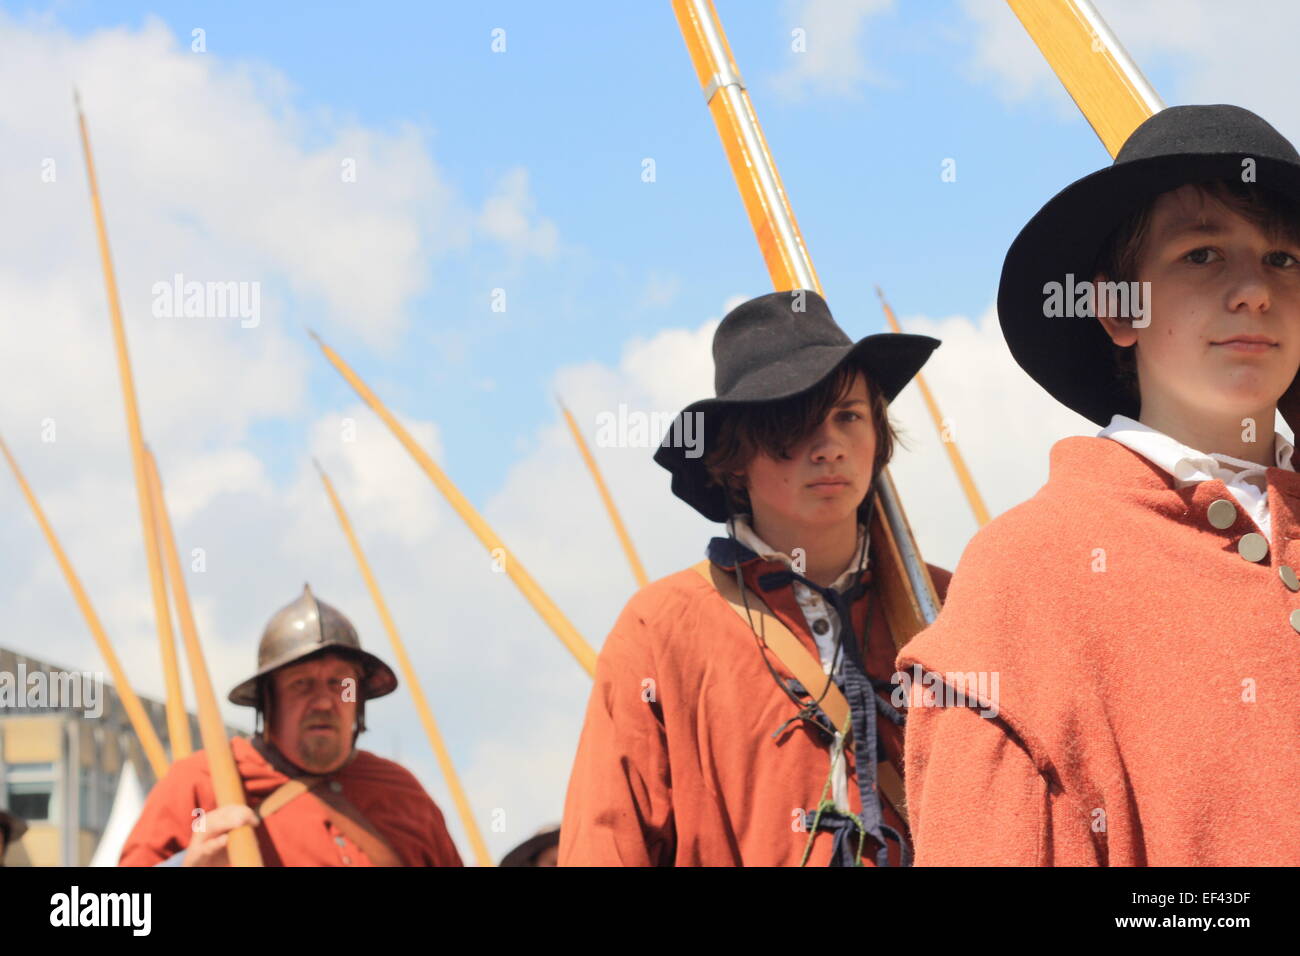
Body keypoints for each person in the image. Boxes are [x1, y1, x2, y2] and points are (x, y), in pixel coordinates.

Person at [899, 104, 1300, 865]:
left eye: (1285, 259)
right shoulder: (1025, 574)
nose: (1255, 289)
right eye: (1203, 254)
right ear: (1118, 307)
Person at [560, 290, 950, 866]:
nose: (829, 447)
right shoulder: (662, 627)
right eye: (794, 422)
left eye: (848, 416)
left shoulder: (955, 606)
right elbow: (607, 845)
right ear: (733, 457)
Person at [119, 584, 463, 866]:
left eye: (339, 685)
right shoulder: (202, 782)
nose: (325, 702)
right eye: (302, 684)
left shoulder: (403, 793)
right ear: (269, 700)